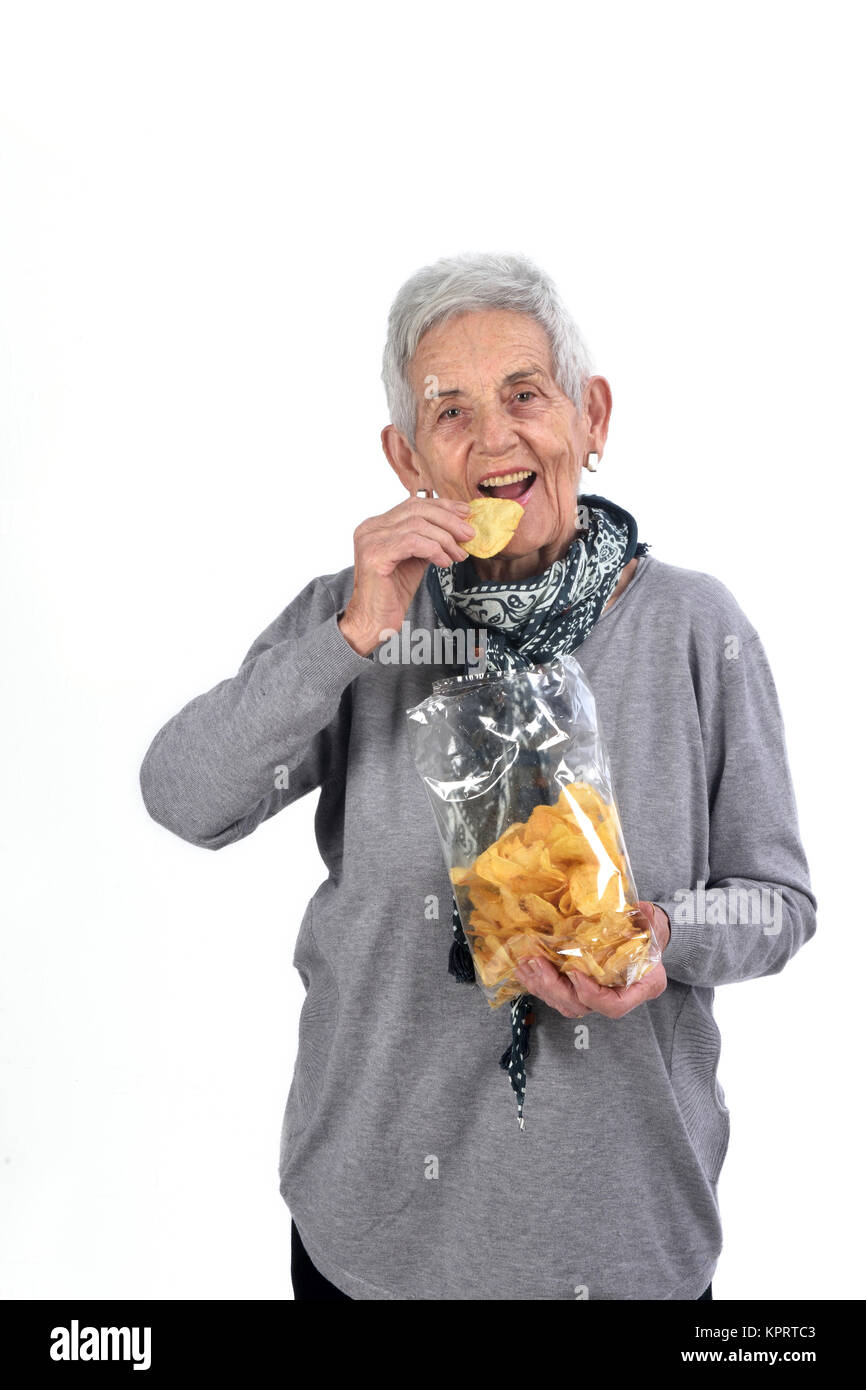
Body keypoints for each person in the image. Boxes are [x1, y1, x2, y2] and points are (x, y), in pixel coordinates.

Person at [139, 252, 816, 1300]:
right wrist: (353, 634)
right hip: (375, 1242)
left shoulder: (696, 629)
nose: (494, 439)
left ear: (590, 415)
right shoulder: (359, 619)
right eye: (447, 412)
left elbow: (776, 904)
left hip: (621, 1246)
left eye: (524, 395)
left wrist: (664, 939)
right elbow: (184, 796)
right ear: (406, 457)